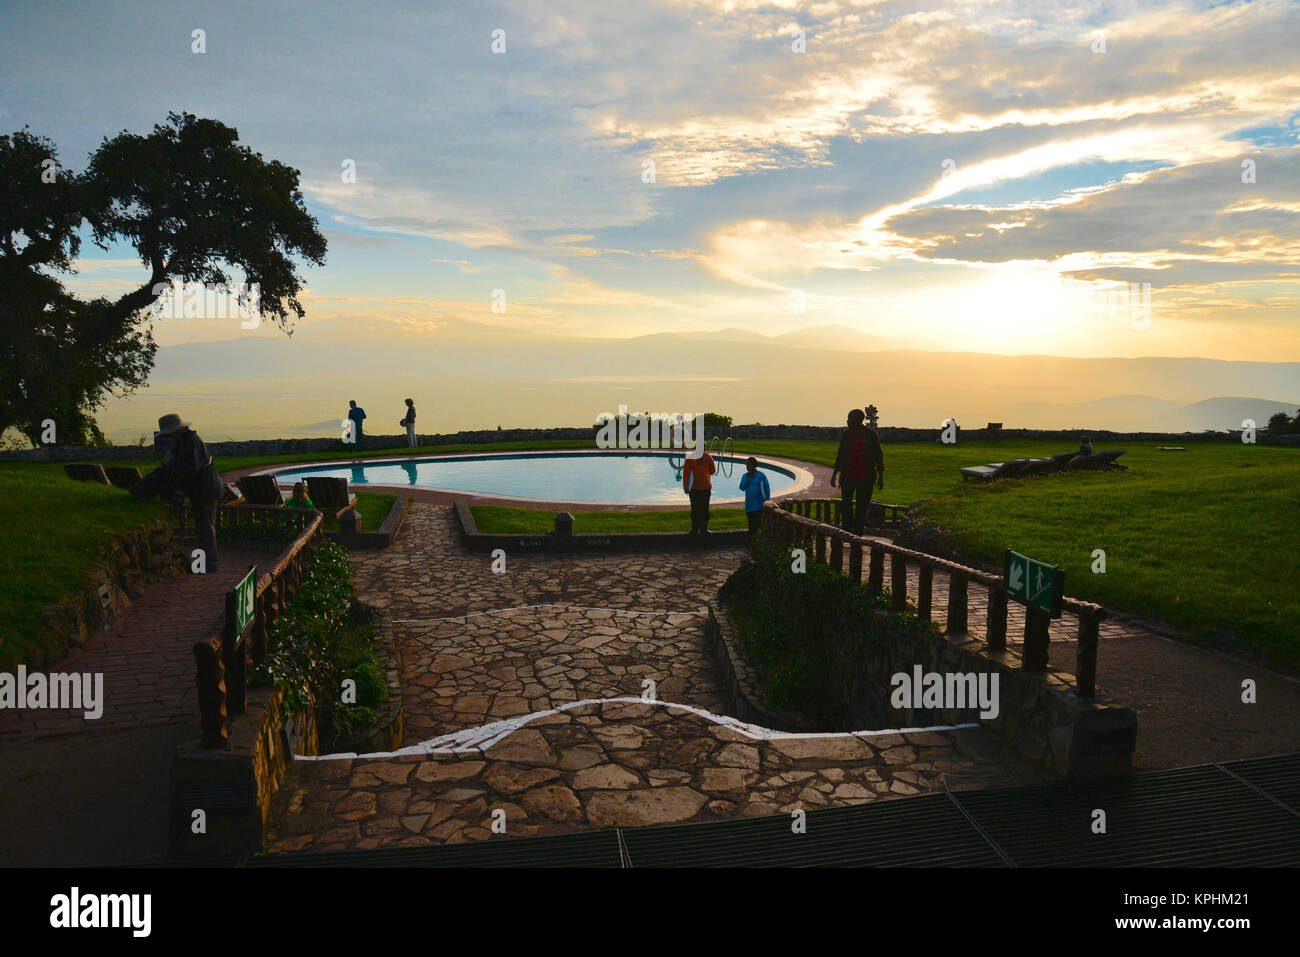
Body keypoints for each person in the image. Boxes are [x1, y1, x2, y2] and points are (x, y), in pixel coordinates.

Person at [130, 413, 224, 573]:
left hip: (206, 490)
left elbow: (189, 471)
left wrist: (178, 492)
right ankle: (203, 565)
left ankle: (209, 566)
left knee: (205, 528)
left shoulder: (191, 442)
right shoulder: (182, 443)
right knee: (203, 528)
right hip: (200, 490)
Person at [830, 408, 885, 535]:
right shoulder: (846, 434)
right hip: (848, 476)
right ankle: (847, 530)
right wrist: (834, 475)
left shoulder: (871, 435)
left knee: (862, 507)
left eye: (850, 418)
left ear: (857, 420)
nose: (847, 421)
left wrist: (881, 477)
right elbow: (841, 455)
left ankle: (858, 533)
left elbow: (878, 456)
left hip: (866, 477)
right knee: (846, 504)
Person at [682, 446, 717, 535]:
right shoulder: (706, 457)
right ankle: (697, 529)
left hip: (704, 488)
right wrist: (686, 486)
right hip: (695, 488)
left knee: (700, 509)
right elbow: (686, 473)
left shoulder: (707, 457)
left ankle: (701, 529)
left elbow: (713, 471)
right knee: (699, 509)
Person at [738, 456, 771, 538]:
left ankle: (759, 539)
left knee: (758, 523)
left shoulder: (761, 475)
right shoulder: (745, 476)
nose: (747, 467)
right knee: (751, 523)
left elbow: (767, 487)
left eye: (749, 465)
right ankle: (752, 539)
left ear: (754, 465)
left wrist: (767, 500)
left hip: (759, 504)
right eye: (746, 465)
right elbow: (742, 487)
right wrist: (747, 478)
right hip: (750, 504)